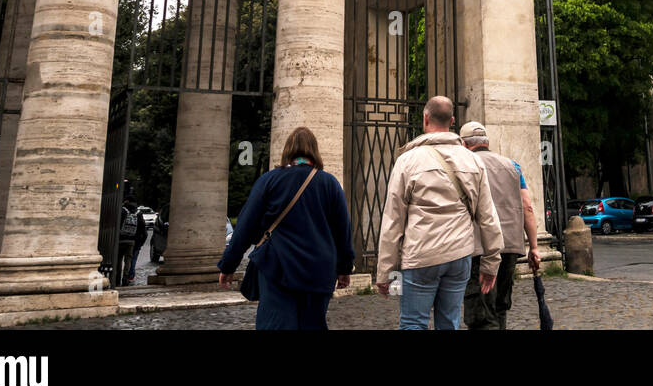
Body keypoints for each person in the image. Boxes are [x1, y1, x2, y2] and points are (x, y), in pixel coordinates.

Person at [375, 96, 503, 330]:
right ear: (453, 121)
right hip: (459, 256)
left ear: (425, 118)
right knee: (449, 323)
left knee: (413, 322)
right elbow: (488, 218)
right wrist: (491, 263)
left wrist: (386, 272)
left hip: (420, 256)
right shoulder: (473, 161)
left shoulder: (407, 161)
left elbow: (393, 221)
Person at [218, 127, 354, 330]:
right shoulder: (330, 184)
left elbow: (245, 227)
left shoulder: (269, 180)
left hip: (277, 269)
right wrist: (344, 269)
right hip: (319, 271)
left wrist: (228, 266)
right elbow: (343, 232)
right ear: (315, 151)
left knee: (276, 325)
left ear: (288, 150)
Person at [459, 121, 541, 330]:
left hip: (480, 248)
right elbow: (527, 206)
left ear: (464, 143)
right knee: (500, 307)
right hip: (509, 247)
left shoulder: (465, 165)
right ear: (486, 142)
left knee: (481, 313)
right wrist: (534, 247)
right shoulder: (513, 166)